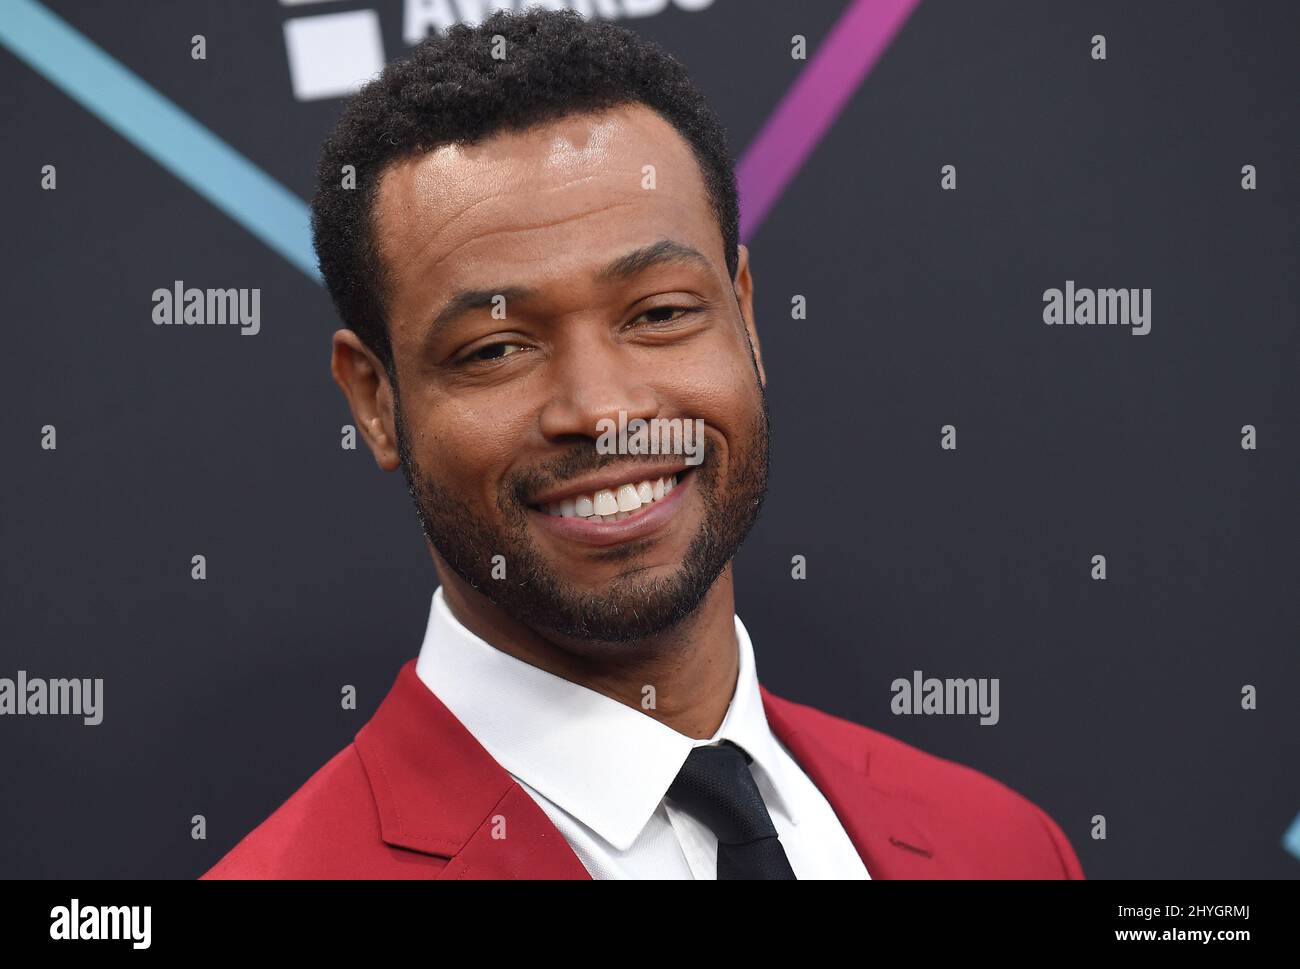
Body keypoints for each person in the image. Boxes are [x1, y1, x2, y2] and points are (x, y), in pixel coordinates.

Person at [202, 8, 1082, 880]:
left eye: (659, 313)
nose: (604, 408)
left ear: (745, 311)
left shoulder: (1003, 845)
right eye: (497, 349)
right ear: (375, 400)